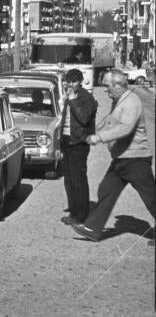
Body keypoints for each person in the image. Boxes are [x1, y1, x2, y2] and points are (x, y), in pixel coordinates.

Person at [71, 69, 155, 244]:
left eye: (108, 86)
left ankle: (92, 227)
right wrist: (97, 134)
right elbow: (112, 124)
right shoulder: (118, 100)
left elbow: (126, 128)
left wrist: (99, 137)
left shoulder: (131, 101)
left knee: (151, 197)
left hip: (136, 158)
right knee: (106, 190)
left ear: (118, 85)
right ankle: (93, 229)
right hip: (121, 159)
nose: (106, 90)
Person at [59, 68, 98, 226]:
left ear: (80, 81)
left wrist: (73, 100)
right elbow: (65, 120)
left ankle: (81, 215)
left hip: (79, 143)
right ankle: (74, 211)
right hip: (67, 142)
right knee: (68, 179)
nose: (71, 84)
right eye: (69, 81)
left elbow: (83, 118)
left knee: (78, 179)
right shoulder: (69, 96)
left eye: (74, 81)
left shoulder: (85, 97)